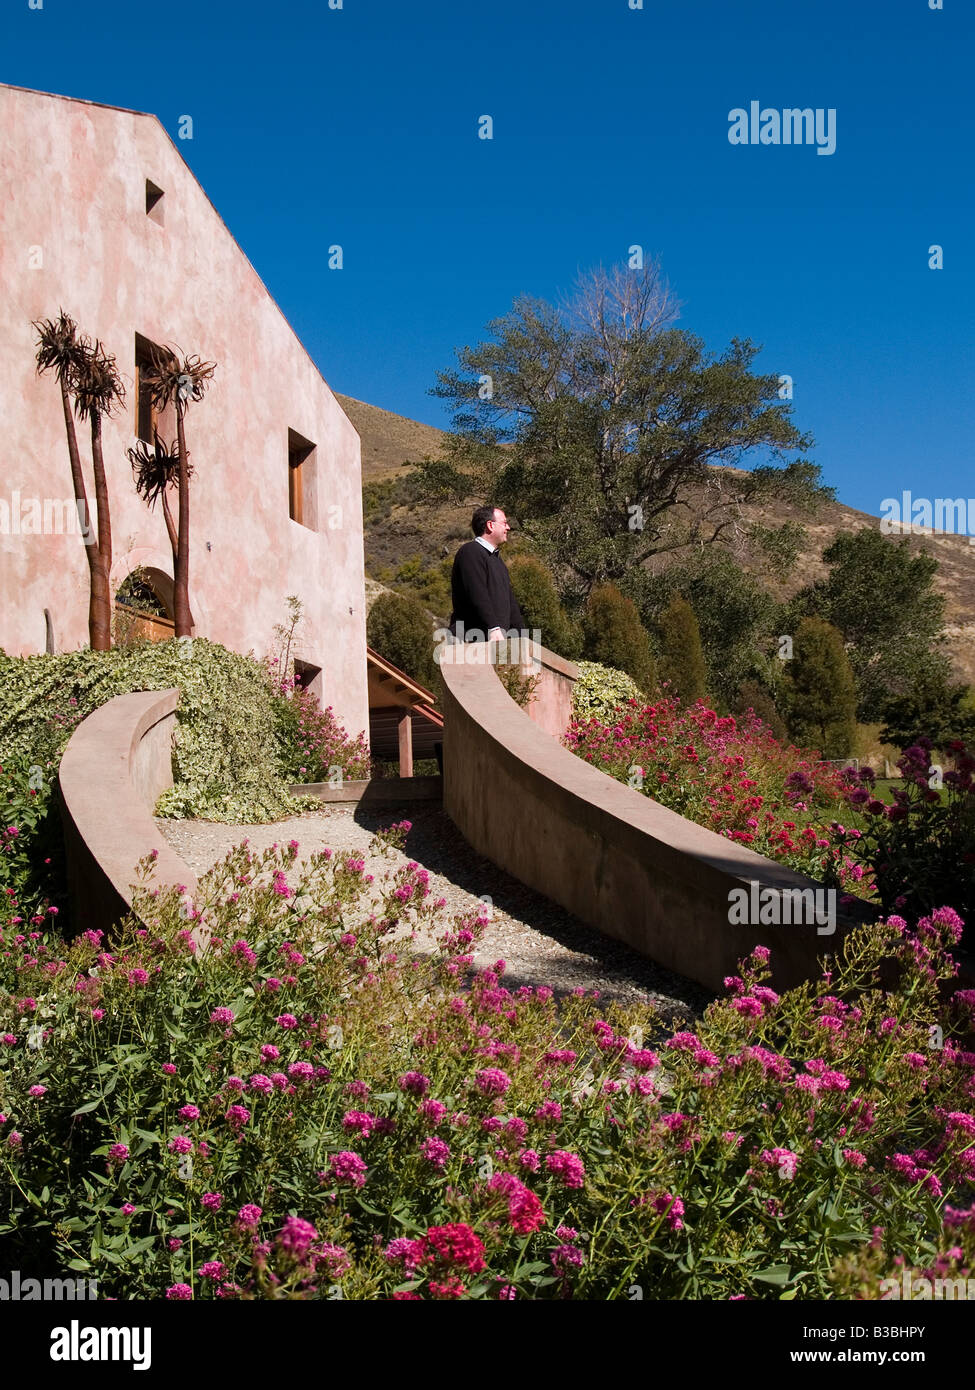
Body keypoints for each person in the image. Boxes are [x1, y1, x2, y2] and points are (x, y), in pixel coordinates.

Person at [447, 505, 525, 643]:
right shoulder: (470, 552)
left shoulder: (498, 561)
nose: (508, 528)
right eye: (504, 523)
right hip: (469, 641)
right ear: (490, 525)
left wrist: (521, 638)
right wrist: (493, 628)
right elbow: (477, 592)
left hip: (494, 642)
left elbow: (510, 603)